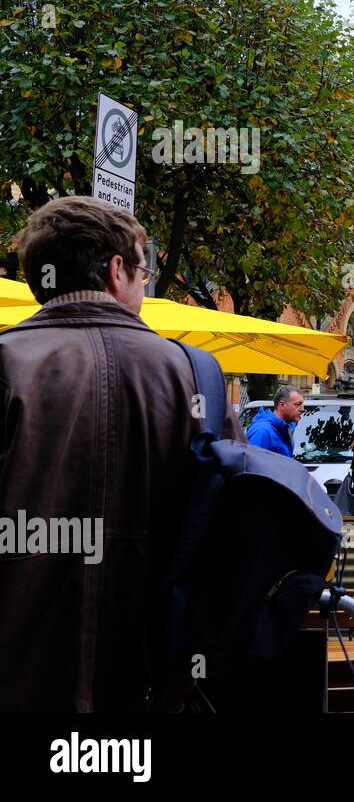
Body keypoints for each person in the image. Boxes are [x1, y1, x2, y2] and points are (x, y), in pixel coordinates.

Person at [0, 196, 243, 711]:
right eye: (142, 270)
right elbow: (230, 533)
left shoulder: (8, 363)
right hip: (152, 685)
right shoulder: (196, 376)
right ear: (116, 271)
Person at [245, 384, 305, 458]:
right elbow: (250, 463)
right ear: (282, 405)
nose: (302, 409)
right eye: (298, 404)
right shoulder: (262, 431)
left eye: (302, 404)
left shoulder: (286, 426)